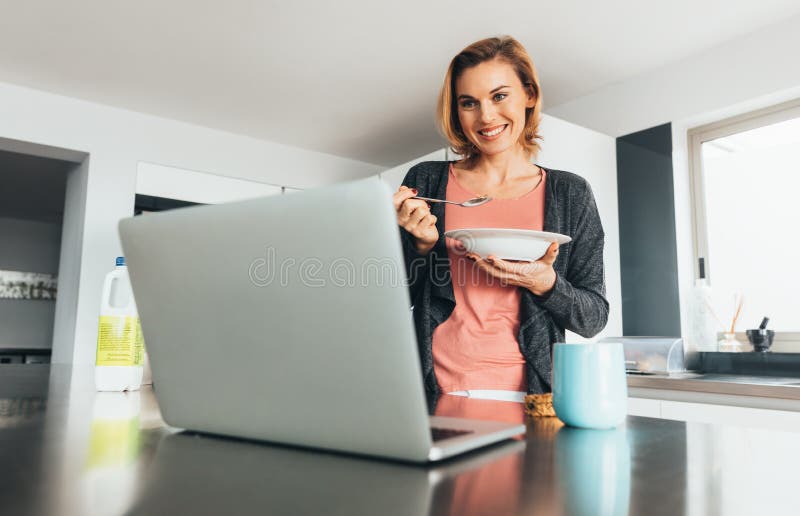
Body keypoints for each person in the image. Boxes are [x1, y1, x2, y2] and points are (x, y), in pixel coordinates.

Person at [392, 36, 608, 400]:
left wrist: (546, 283)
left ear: (529, 94)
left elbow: (593, 317)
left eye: (499, 96)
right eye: (469, 103)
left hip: (534, 398)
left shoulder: (571, 193)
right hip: (435, 393)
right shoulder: (426, 181)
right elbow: (393, 300)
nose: (486, 116)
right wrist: (421, 245)